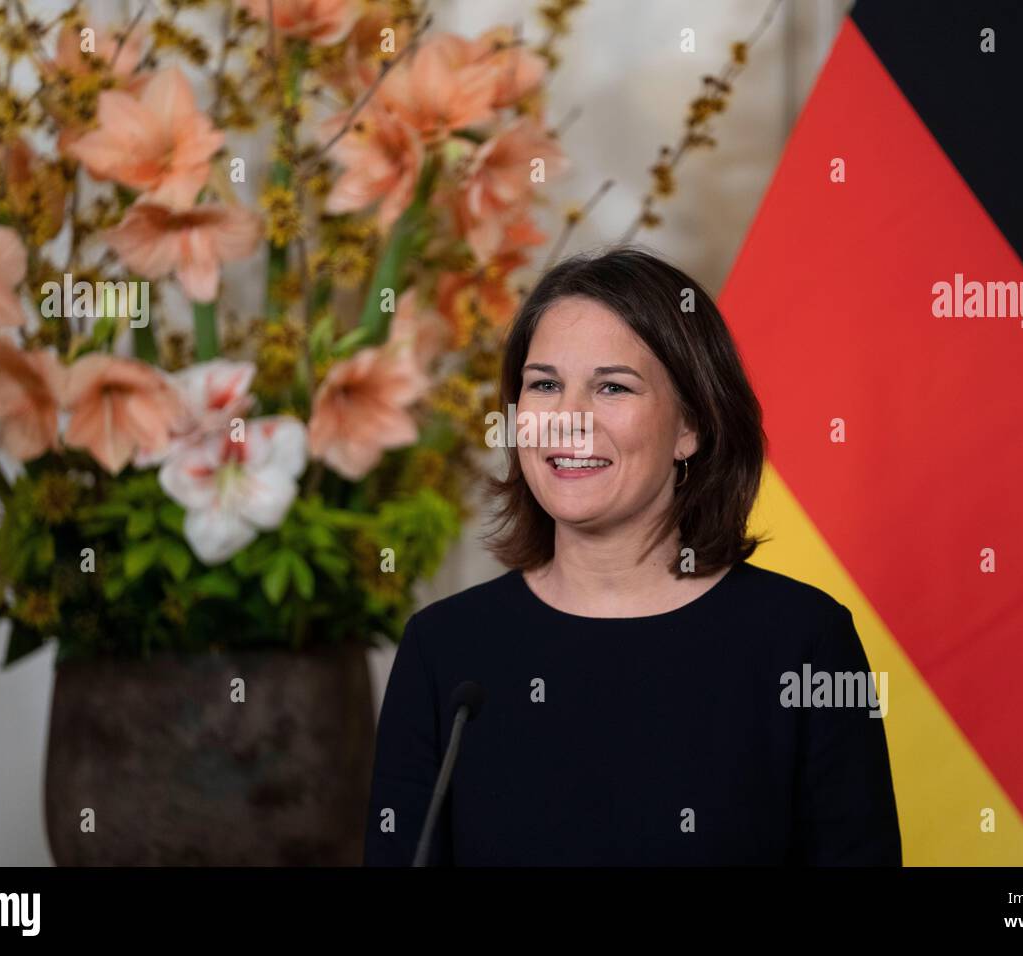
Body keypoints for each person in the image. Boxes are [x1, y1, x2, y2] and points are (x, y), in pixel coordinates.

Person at [363, 245, 902, 866]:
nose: (568, 420)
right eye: (544, 385)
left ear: (689, 426)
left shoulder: (804, 642)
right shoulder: (444, 652)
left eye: (612, 387)